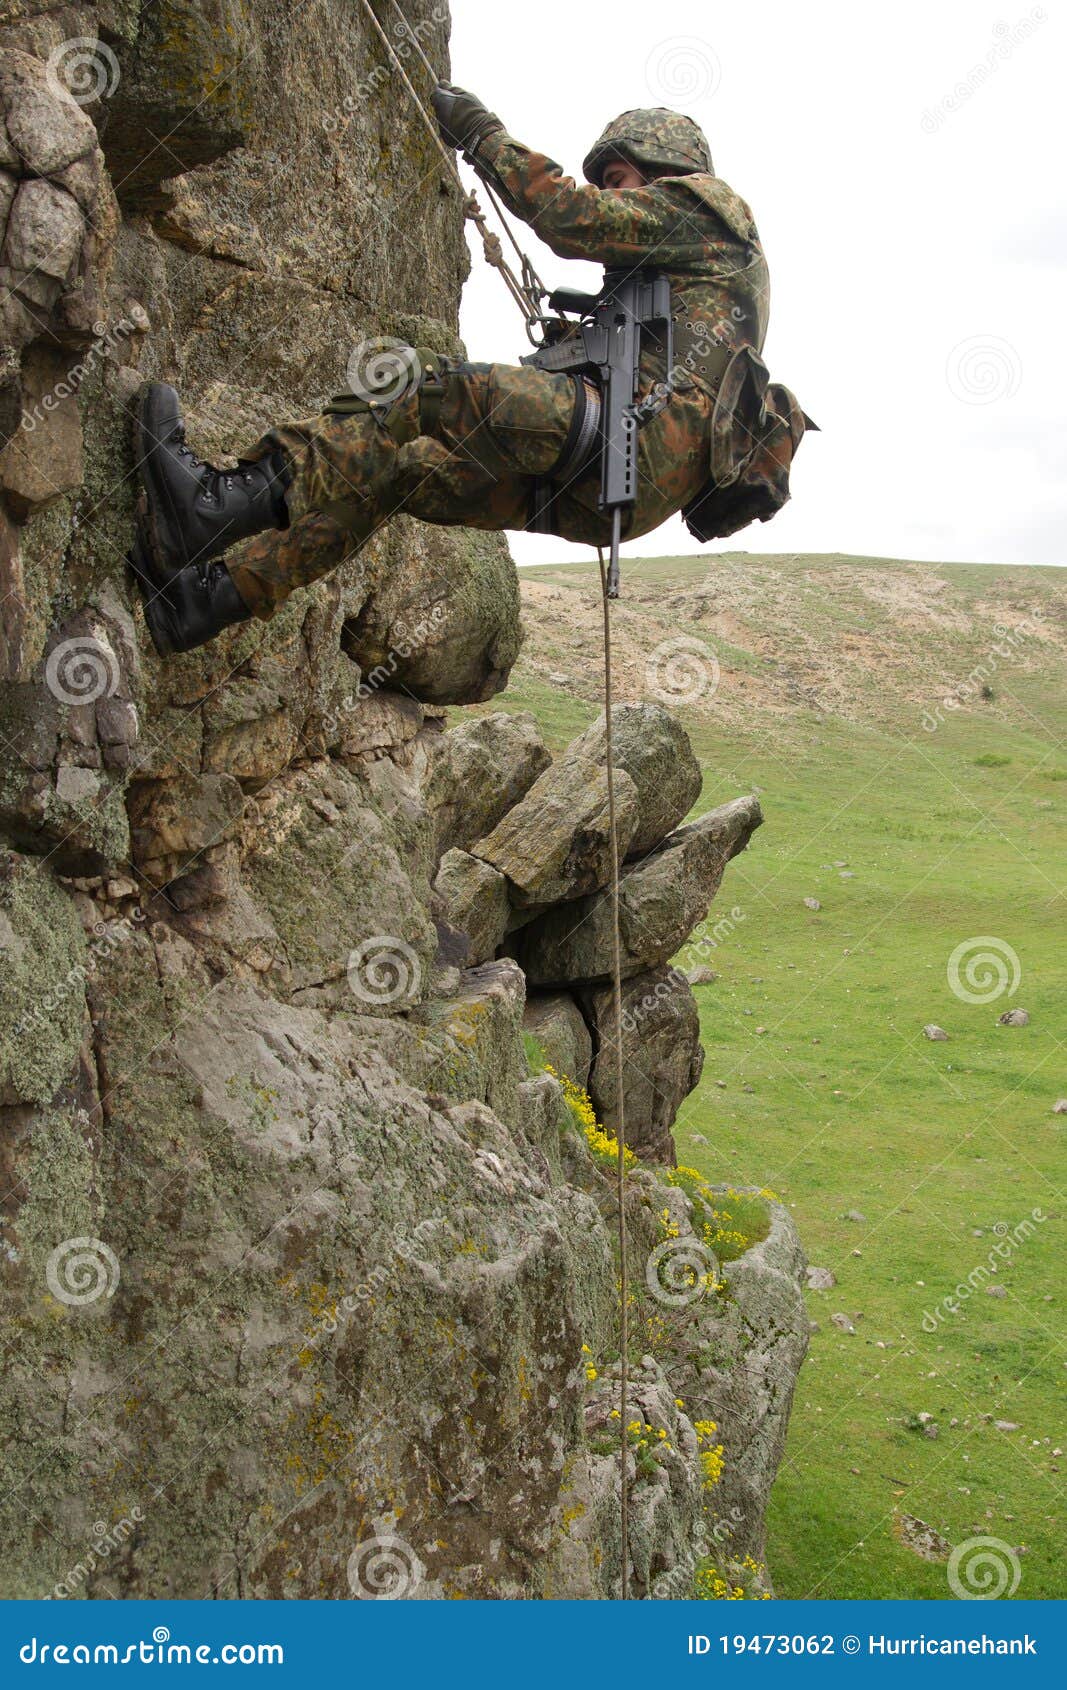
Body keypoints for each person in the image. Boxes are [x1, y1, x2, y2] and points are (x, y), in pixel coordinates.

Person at [131, 90, 799, 655]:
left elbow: (570, 218)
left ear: (664, 167)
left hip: (625, 443)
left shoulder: (709, 208)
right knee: (397, 468)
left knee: (416, 385)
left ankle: (211, 506)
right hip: (613, 493)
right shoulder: (680, 282)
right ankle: (208, 601)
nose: (610, 196)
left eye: (617, 180)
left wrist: (481, 135)